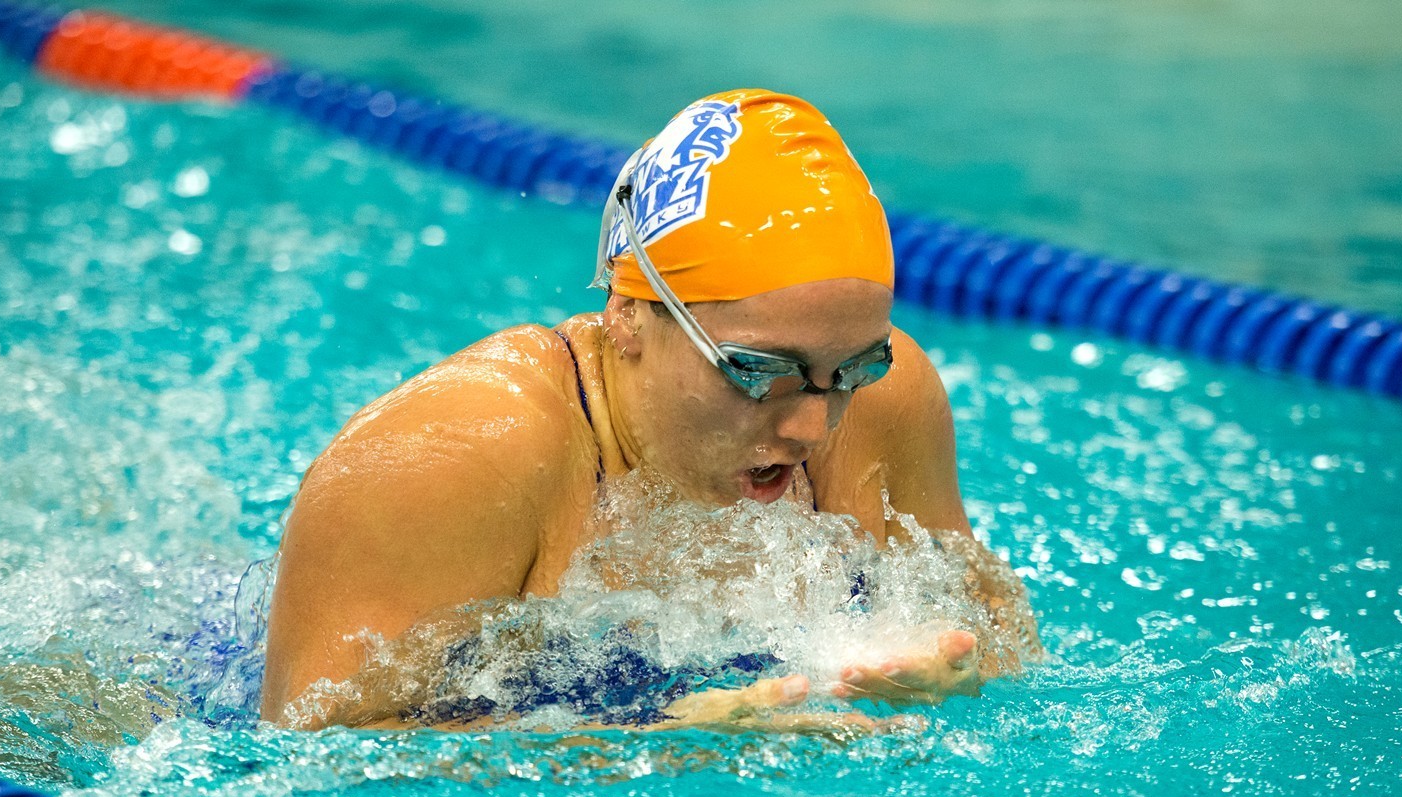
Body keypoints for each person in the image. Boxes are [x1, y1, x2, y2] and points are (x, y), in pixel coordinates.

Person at [260, 89, 1039, 733]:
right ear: (630, 315)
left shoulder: (884, 405)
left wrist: (964, 668)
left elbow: (1002, 632)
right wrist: (655, 741)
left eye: (854, 369)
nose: (813, 427)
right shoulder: (453, 460)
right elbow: (314, 749)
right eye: (758, 371)